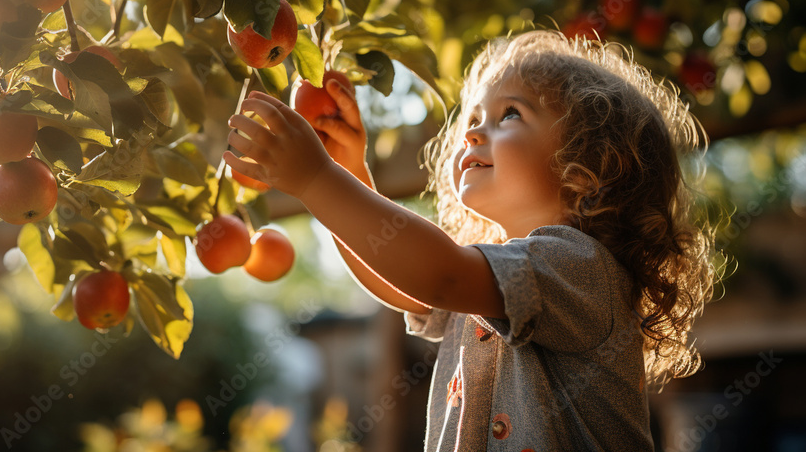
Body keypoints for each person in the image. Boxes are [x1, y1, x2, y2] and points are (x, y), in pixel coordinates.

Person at [224, 30, 721, 451]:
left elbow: (436, 276)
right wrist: (346, 174)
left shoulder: (580, 266)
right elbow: (408, 285)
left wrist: (317, 179)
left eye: (509, 115)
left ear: (587, 169)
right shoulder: (490, 281)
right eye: (473, 119)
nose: (472, 134)